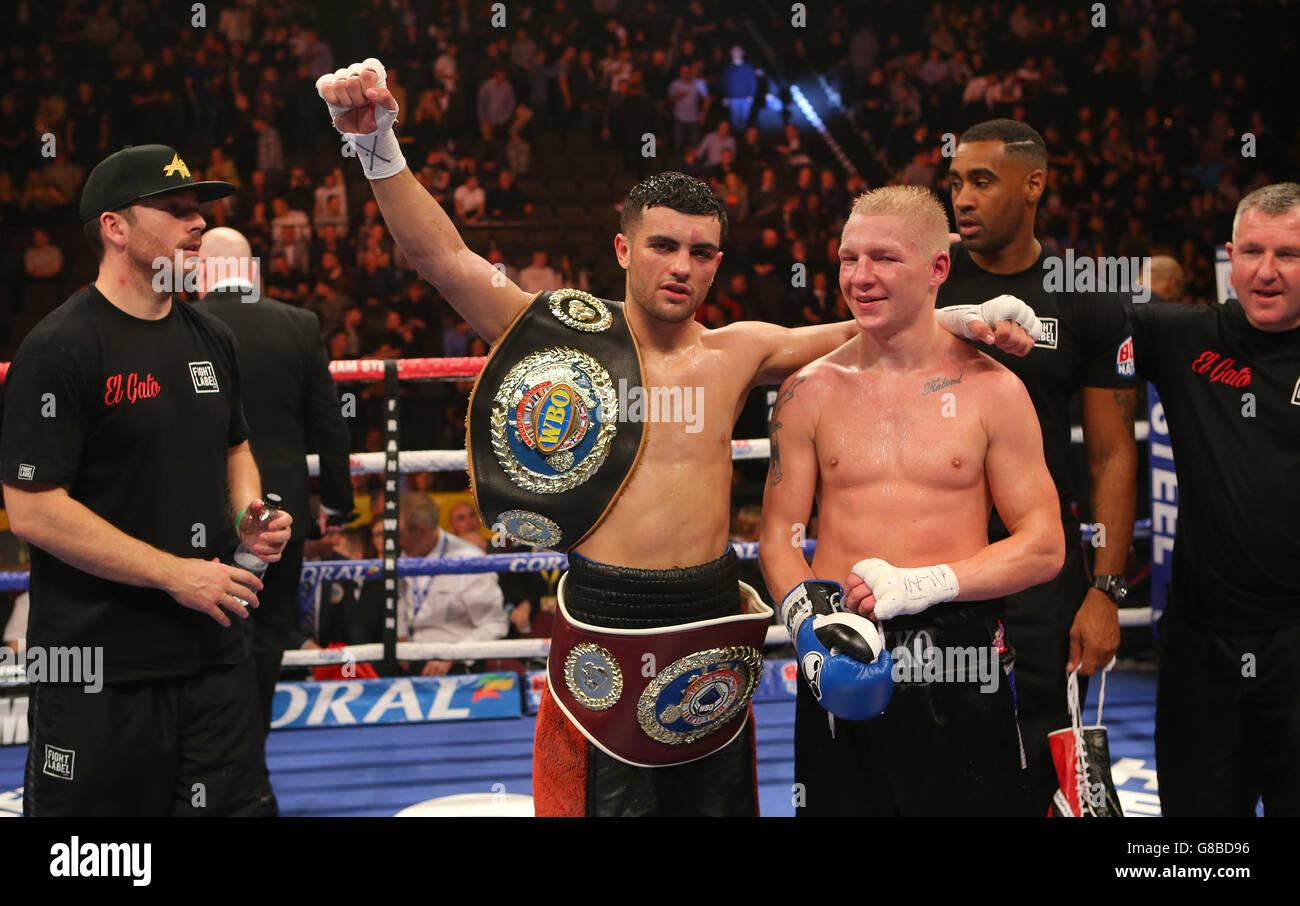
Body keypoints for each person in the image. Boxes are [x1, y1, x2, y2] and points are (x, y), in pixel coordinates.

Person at [315, 58, 1039, 817]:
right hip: (605, 616)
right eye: (663, 246)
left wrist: (958, 316)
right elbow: (444, 259)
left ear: (717, 264)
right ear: (625, 250)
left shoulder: (739, 351)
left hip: (711, 621)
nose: (681, 266)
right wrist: (377, 147)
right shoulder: (565, 333)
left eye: (700, 253)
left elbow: (866, 328)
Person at [0, 144, 291, 816]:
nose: (197, 224)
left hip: (214, 653)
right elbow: (33, 512)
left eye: (199, 209)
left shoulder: (211, 338)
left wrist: (250, 514)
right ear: (115, 227)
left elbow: (236, 447)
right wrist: (175, 573)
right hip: (99, 668)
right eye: (175, 208)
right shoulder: (59, 348)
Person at [759, 186, 1064, 816]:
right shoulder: (807, 391)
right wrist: (809, 626)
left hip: (958, 649)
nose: (861, 277)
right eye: (848, 259)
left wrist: (926, 583)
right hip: (843, 640)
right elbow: (780, 535)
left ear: (938, 269)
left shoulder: (994, 391)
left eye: (885, 258)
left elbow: (1044, 545)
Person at [938, 119, 1139, 815]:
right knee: (933, 761)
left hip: (1037, 567)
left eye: (982, 182)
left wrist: (1107, 588)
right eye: (956, 182)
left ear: (1033, 185)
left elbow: (1112, 449)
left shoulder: (1083, 293)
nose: (962, 197)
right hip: (926, 565)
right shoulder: (924, 278)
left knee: (1042, 773)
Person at [1132, 183, 1300, 815]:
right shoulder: (1186, 338)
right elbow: (1069, 319)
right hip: (1202, 646)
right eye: (1251, 251)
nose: (1265, 271)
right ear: (1229, 254)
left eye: (1288, 254)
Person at [195, 226, 355, 815]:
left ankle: (207, 780)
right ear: (250, 268)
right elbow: (329, 425)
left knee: (207, 639)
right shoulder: (298, 324)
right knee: (264, 643)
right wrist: (337, 505)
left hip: (203, 511)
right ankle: (249, 780)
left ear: (201, 269)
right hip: (281, 513)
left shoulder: (182, 324)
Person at [396, 493, 507, 676]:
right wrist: (401, 646)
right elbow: (401, 604)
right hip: (415, 662)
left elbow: (495, 624)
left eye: (400, 536)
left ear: (421, 530)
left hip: (459, 667)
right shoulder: (404, 555)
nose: (396, 543)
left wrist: (452, 655)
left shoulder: (468, 560)